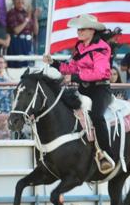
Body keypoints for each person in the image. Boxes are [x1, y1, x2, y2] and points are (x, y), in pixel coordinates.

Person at [44, 14, 119, 174]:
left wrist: (75, 77)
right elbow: (71, 68)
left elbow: (100, 73)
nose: (79, 32)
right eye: (79, 29)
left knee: (97, 116)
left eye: (83, 29)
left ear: (92, 31)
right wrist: (54, 63)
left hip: (100, 89)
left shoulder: (101, 48)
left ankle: (107, 154)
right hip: (84, 89)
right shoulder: (80, 48)